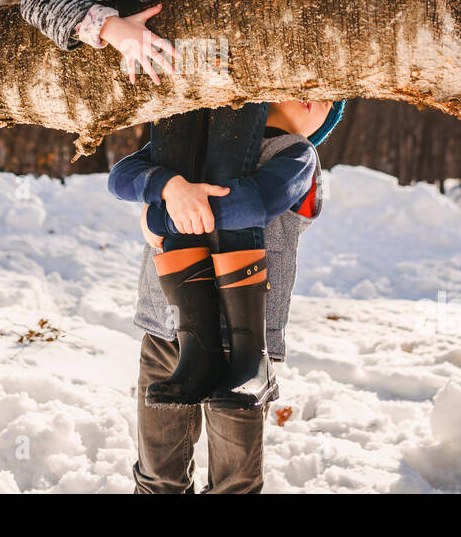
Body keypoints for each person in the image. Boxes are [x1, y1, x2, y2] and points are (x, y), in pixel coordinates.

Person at [19, 0, 311, 402]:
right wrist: (106, 24)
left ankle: (250, 357)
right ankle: (200, 349)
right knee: (177, 189)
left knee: (230, 184)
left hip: (242, 76)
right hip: (172, 80)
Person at [109, 98, 344, 493]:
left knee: (236, 478)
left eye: (330, 101)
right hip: (167, 328)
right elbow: (121, 177)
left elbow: (249, 206)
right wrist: (169, 185)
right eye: (306, 82)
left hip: (243, 344)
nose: (316, 95)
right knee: (158, 469)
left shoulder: (297, 156)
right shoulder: (193, 141)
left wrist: (159, 215)